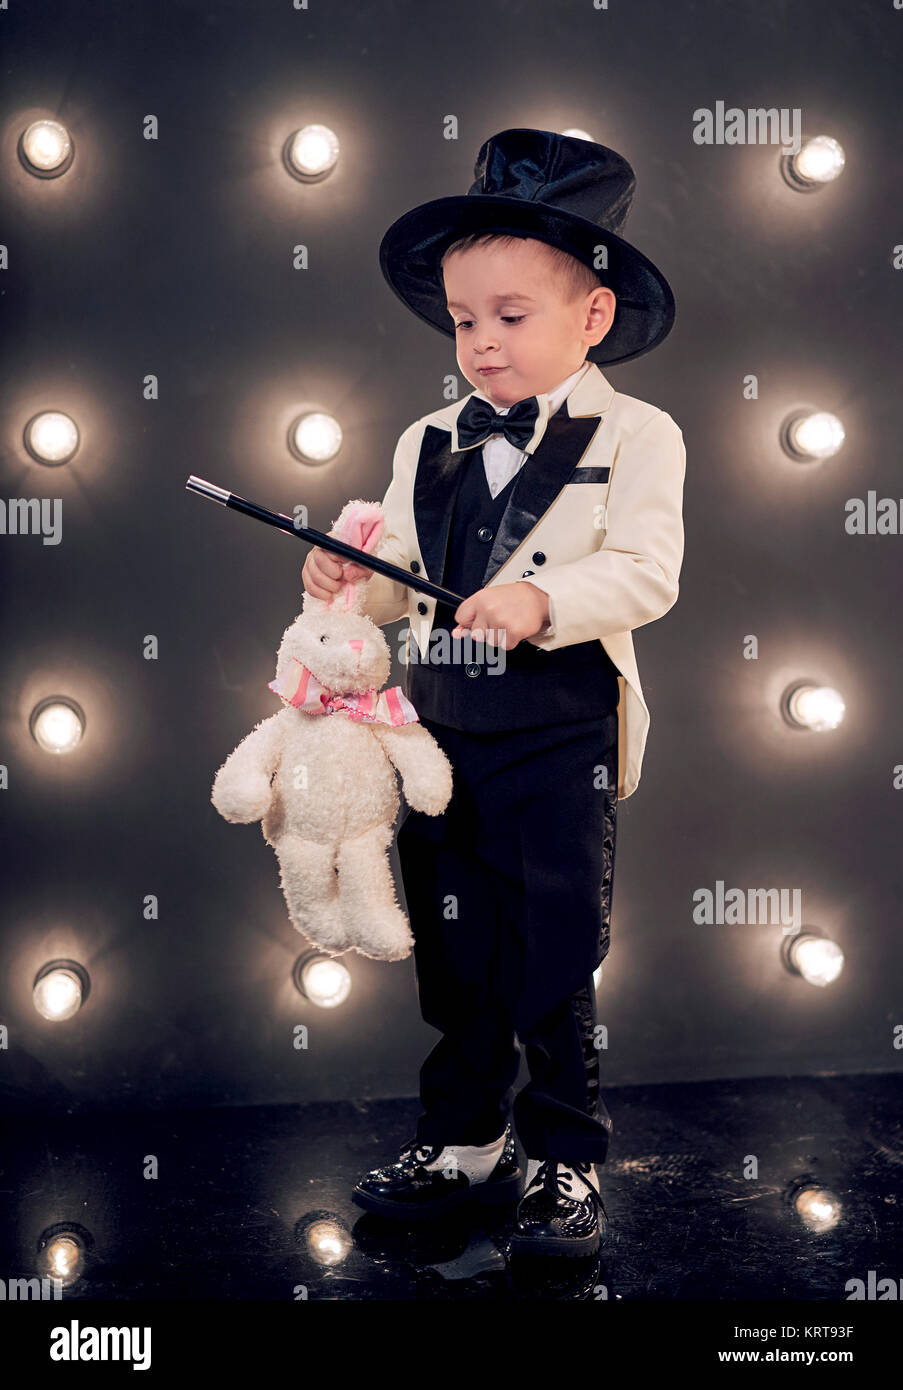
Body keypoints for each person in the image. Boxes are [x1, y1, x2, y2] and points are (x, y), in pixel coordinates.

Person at [302, 128, 686, 1258]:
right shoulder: (427, 438)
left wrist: (543, 599)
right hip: (441, 727)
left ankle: (564, 1155)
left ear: (592, 319)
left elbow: (649, 571)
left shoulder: (640, 434)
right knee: (454, 946)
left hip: (559, 728)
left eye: (511, 318)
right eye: (465, 321)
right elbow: (396, 579)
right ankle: (466, 1138)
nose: (481, 344)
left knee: (554, 951)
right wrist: (341, 574)